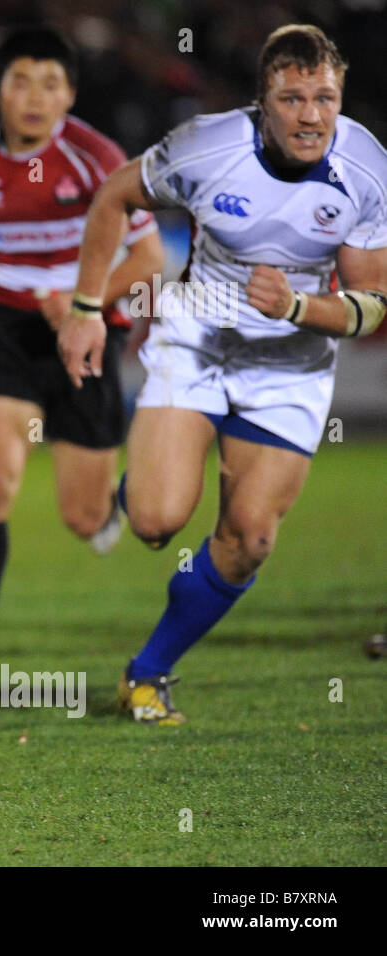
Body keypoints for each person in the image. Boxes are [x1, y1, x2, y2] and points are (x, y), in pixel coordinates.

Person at [59, 24, 387, 724]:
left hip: (291, 370)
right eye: (292, 98)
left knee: (250, 540)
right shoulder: (207, 146)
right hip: (198, 343)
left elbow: (370, 306)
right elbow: (115, 195)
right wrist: (88, 306)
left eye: (325, 97)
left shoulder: (365, 167)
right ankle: (142, 480)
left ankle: (146, 675)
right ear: (261, 102)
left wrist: (299, 305)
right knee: (153, 520)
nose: (310, 115)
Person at [0, 27, 164, 669]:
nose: (35, 97)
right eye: (21, 81)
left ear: (71, 93)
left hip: (87, 335)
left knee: (83, 517)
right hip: (7, 332)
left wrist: (84, 302)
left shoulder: (101, 160)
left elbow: (152, 260)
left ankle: (113, 507)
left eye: (51, 83)